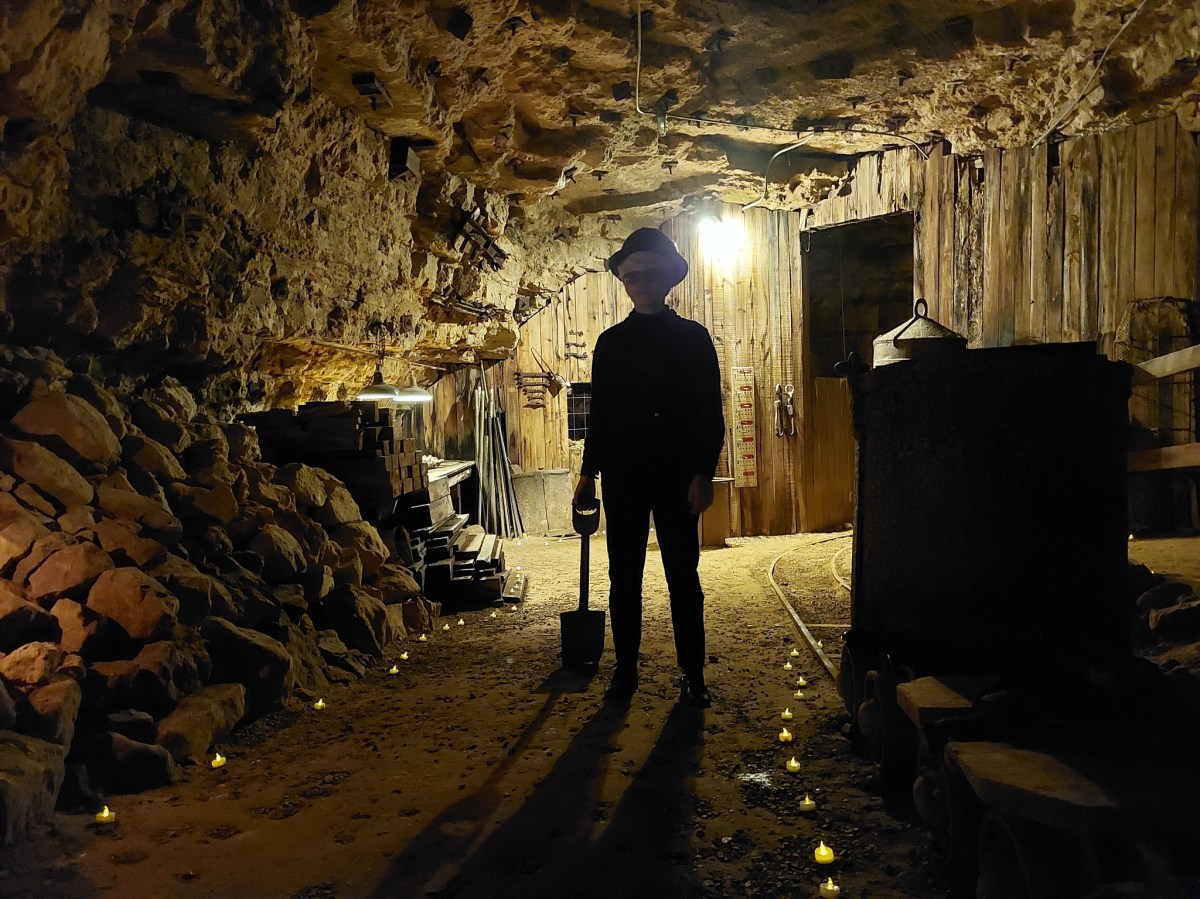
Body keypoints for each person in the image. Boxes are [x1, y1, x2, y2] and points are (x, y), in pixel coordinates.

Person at [573, 228, 725, 708]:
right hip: (626, 475)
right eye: (632, 275)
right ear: (623, 280)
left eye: (649, 274)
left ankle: (692, 673)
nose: (640, 283)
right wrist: (588, 472)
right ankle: (625, 669)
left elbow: (709, 411)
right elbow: (601, 415)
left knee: (684, 577)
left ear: (666, 279)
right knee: (625, 578)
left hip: (678, 475)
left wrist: (704, 473)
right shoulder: (610, 344)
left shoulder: (694, 340)